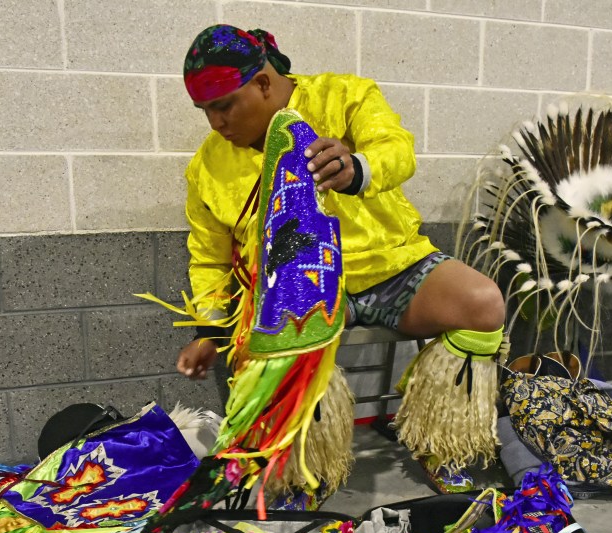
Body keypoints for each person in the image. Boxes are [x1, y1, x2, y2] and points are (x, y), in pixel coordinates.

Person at [174, 24, 506, 498]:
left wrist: (359, 167)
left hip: (393, 266)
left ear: (264, 83)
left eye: (224, 105)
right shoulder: (208, 165)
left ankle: (441, 439)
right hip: (296, 286)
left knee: (483, 303)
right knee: (278, 348)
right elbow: (208, 257)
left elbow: (398, 149)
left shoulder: (344, 96)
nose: (216, 123)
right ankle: (305, 469)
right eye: (205, 110)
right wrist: (209, 330)